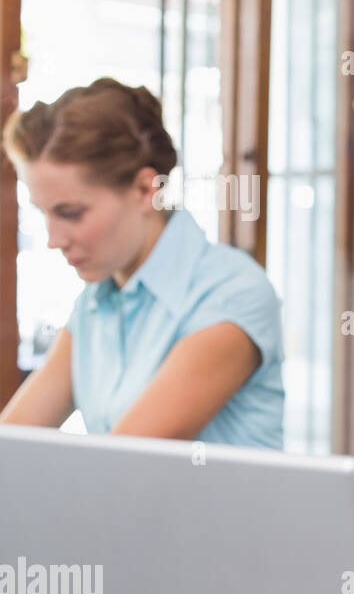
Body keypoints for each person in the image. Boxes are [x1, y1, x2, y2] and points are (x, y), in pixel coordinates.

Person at [0, 78, 284, 448]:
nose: (54, 239)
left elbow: (120, 470)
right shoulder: (94, 304)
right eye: (43, 214)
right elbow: (12, 447)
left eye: (70, 213)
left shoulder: (231, 294)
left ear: (146, 190)